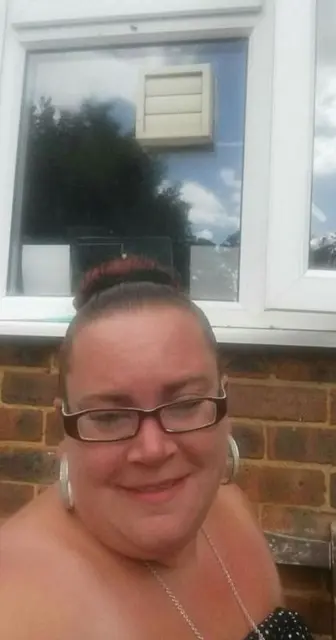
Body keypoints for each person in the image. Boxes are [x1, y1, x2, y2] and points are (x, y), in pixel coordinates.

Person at [0, 257, 313, 640]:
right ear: (63, 430)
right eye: (110, 416)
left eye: (184, 405)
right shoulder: (18, 605)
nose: (152, 450)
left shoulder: (231, 510)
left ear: (223, 404)